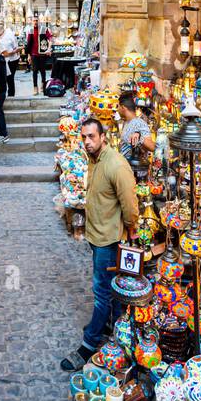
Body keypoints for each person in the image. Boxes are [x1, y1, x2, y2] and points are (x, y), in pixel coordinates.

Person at [60, 117, 139, 372]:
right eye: (84, 137)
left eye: (91, 136)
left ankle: (89, 343)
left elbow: (130, 203)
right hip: (98, 236)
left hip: (109, 240)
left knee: (102, 293)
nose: (86, 141)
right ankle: (116, 333)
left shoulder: (115, 164)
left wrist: (131, 228)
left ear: (103, 137)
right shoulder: (94, 161)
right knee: (111, 292)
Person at [117, 92, 156, 181]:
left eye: (118, 106)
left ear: (123, 107)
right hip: (126, 172)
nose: (117, 109)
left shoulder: (139, 124)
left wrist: (139, 137)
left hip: (136, 175)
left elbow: (152, 146)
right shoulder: (127, 122)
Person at [27, 14, 53, 93]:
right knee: (34, 71)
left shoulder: (44, 29)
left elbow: (50, 39)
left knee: (43, 70)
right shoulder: (31, 30)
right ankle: (35, 87)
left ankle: (43, 85)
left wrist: (49, 49)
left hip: (42, 54)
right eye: (34, 21)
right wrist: (28, 55)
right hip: (34, 54)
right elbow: (29, 44)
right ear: (32, 22)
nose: (35, 22)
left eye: (36, 20)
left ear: (39, 21)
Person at [0, 21, 19, 97]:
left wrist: (14, 52)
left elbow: (14, 48)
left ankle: (11, 95)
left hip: (12, 59)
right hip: (3, 59)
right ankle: (4, 94)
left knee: (10, 78)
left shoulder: (9, 35)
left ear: (2, 30)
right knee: (3, 78)